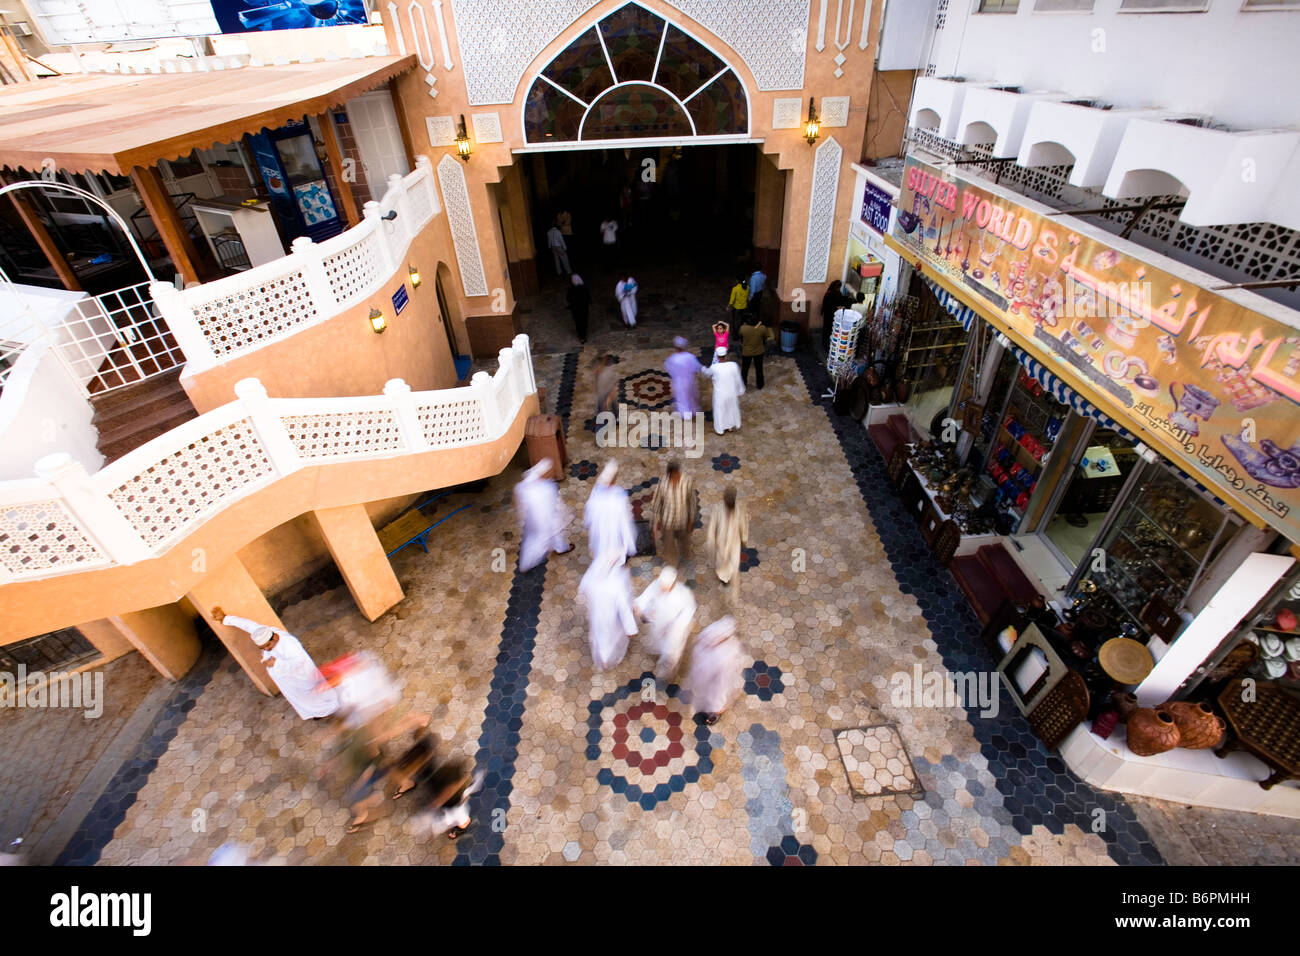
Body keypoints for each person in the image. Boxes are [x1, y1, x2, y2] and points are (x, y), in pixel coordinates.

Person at [215, 609, 339, 720]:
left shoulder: (290, 645)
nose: (266, 649)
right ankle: (315, 713)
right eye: (262, 648)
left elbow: (298, 663)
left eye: (268, 646)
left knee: (316, 696)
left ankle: (330, 709)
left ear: (274, 638)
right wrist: (225, 619)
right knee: (301, 700)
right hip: (289, 681)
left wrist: (277, 663)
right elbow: (248, 625)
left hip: (302, 677)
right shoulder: (263, 632)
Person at [633, 566, 697, 680]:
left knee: (670, 653)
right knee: (657, 642)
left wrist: (676, 626)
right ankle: (658, 653)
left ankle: (666, 671)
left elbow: (689, 610)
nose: (661, 589)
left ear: (671, 586)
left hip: (673, 631)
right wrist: (638, 605)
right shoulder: (656, 585)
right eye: (661, 586)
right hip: (658, 624)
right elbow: (646, 596)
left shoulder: (683, 594)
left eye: (664, 587)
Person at [579, 551, 638, 671]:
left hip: (596, 613)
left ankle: (603, 657)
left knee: (599, 636)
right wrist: (630, 628)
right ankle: (606, 660)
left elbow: (583, 586)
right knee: (611, 637)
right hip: (611, 618)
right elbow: (624, 608)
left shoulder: (594, 570)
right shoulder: (617, 583)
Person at [680, 616, 745, 725]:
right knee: (698, 691)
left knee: (714, 698)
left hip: (716, 680)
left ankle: (714, 712)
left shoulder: (730, 652)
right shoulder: (713, 630)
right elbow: (701, 638)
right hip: (702, 670)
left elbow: (724, 680)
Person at [513, 459, 572, 572]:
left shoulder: (523, 487)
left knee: (543, 536)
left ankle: (559, 547)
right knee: (542, 539)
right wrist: (564, 515)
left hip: (534, 520)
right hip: (544, 519)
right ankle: (527, 563)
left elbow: (521, 506)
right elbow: (555, 504)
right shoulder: (547, 488)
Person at [583, 460, 636, 562]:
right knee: (616, 549)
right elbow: (626, 516)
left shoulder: (596, 492)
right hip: (614, 530)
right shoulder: (619, 495)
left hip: (599, 531)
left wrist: (588, 524)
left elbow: (588, 512)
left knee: (602, 550)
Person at [648, 458, 696, 567]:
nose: (677, 478)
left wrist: (692, 519)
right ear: (669, 475)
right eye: (674, 476)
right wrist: (655, 525)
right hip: (668, 522)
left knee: (685, 542)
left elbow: (692, 501)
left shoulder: (686, 482)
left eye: (678, 474)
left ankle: (685, 555)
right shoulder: (663, 484)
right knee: (669, 546)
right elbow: (656, 504)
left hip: (683, 520)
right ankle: (673, 564)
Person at [705, 487, 748, 602]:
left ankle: (734, 592)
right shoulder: (717, 510)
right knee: (721, 564)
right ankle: (724, 578)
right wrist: (711, 543)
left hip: (734, 544)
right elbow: (712, 528)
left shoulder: (739, 511)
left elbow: (743, 526)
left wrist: (744, 539)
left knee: (734, 567)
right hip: (721, 543)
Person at [701, 348, 744, 435]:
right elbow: (738, 379)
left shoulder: (714, 367)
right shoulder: (733, 365)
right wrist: (740, 390)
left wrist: (702, 368)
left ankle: (720, 430)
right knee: (730, 409)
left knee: (720, 411)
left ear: (717, 356)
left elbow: (707, 373)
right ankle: (730, 427)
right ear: (726, 355)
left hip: (720, 394)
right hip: (731, 392)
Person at [664, 336, 703, 417]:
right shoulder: (690, 357)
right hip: (690, 380)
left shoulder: (672, 359)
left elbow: (669, 370)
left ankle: (686, 414)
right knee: (691, 396)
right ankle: (694, 410)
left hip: (679, 382)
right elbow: (696, 369)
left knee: (682, 398)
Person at [739, 313, 775, 390]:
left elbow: (740, 336)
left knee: (744, 369)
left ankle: (743, 385)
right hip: (759, 352)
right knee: (759, 369)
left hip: (747, 352)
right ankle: (760, 385)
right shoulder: (762, 328)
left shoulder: (743, 328)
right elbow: (766, 336)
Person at [820, 279, 847, 353]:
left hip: (830, 315)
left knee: (827, 330)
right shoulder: (832, 294)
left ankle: (826, 344)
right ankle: (827, 345)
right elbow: (829, 305)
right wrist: (837, 307)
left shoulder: (830, 293)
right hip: (831, 315)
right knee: (829, 331)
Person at [566, 273, 589, 342]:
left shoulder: (571, 289)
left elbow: (568, 298)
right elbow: (588, 297)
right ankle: (584, 335)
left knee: (578, 323)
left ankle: (581, 336)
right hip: (584, 308)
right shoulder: (584, 287)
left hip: (576, 309)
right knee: (584, 322)